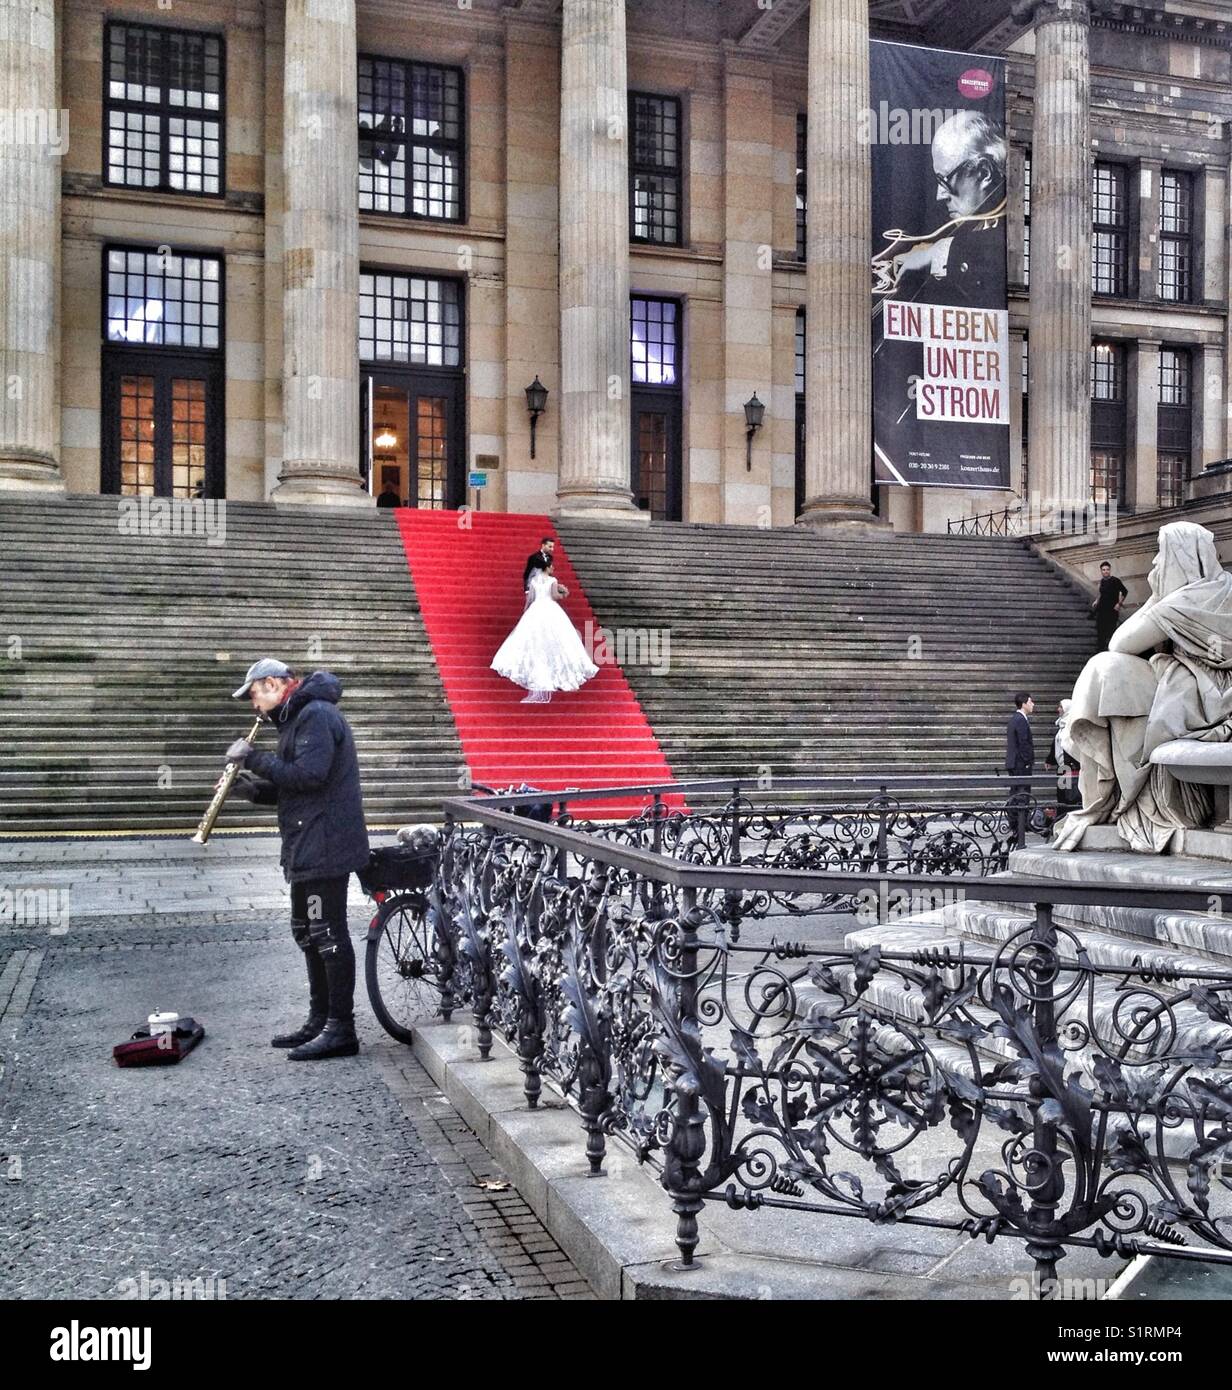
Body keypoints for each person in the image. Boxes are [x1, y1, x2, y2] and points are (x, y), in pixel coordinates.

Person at [224, 658, 371, 1060]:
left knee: (327, 933)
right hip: (307, 844)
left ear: (273, 684)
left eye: (254, 695)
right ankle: (319, 1019)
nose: (255, 706)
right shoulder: (295, 719)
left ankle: (341, 1029)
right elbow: (299, 788)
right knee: (306, 931)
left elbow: (310, 776)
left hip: (326, 847)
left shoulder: (316, 715)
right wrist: (253, 790)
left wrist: (253, 758)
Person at [1056, 522, 1232, 853]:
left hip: (1198, 695)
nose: (1153, 564)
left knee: (1107, 669)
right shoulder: (1224, 588)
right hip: (1205, 692)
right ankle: (1115, 794)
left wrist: (1157, 599)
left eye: (1160, 555)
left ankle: (1112, 795)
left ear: (1179, 558)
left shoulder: (1180, 603)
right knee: (1108, 672)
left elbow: (1120, 642)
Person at [887, 112, 1008, 308]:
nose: (939, 195)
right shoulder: (972, 224)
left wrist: (937, 253)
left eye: (944, 180)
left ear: (984, 172)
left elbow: (998, 253)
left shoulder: (1002, 225)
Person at [491, 561, 598, 704]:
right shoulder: (553, 580)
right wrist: (564, 594)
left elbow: (530, 599)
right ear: (546, 567)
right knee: (557, 640)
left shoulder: (534, 580)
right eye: (551, 565)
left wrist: (526, 612)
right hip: (550, 609)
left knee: (534, 641)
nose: (553, 567)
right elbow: (554, 596)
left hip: (536, 609)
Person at [1044, 699, 1081, 828]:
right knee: (1062, 796)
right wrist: (1050, 760)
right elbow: (1057, 746)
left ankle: (1070, 823)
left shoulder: (1071, 726)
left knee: (1071, 797)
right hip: (1062, 768)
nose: (1058, 709)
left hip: (1071, 768)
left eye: (1061, 707)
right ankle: (1061, 822)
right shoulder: (1061, 726)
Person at [1005, 691, 1035, 849]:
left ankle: (1017, 824)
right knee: (1021, 793)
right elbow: (1023, 743)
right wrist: (1028, 761)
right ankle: (1019, 825)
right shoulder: (1020, 720)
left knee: (1016, 792)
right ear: (1023, 703)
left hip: (1014, 762)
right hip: (1020, 764)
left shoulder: (1014, 719)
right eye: (1031, 701)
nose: (1033, 704)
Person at [1092, 560, 1128, 652]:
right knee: (1100, 628)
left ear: (1110, 570)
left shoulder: (1115, 580)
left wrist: (1119, 604)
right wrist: (1096, 601)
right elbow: (1102, 593)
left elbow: (1124, 591)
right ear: (1101, 571)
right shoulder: (1102, 581)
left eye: (1107, 569)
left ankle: (1112, 649)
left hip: (1112, 609)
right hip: (1102, 609)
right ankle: (1101, 648)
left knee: (1111, 629)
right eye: (1103, 570)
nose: (1105, 571)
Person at [521, 536, 555, 608]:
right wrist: (527, 589)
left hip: (545, 587)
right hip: (535, 585)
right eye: (550, 547)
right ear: (543, 545)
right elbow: (527, 573)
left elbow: (549, 573)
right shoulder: (533, 557)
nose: (552, 549)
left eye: (552, 547)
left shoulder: (550, 557)